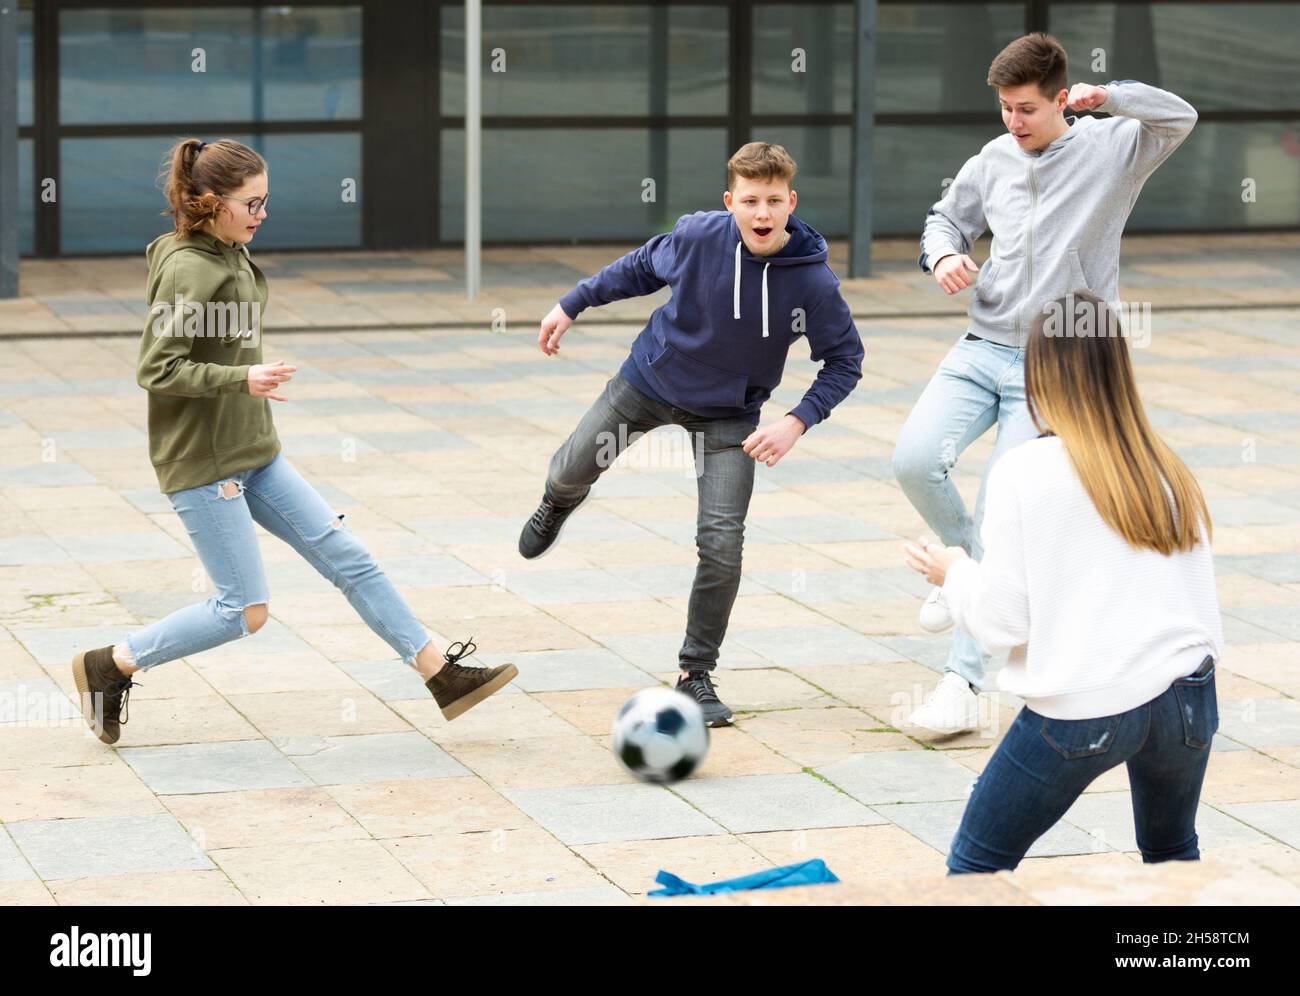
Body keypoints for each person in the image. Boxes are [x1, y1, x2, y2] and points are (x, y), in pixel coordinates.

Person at [71, 138, 516, 746]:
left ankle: (441, 675)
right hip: (205, 463)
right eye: (250, 203)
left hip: (257, 451)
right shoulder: (187, 267)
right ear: (209, 203)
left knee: (350, 558)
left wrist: (245, 387)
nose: (261, 214)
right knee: (243, 612)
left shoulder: (229, 251)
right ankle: (111, 664)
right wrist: (242, 378)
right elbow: (156, 369)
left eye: (266, 201)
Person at [894, 31, 1199, 734]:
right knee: (914, 459)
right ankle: (966, 570)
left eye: (1027, 108)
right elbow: (946, 219)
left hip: (1059, 362)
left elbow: (1179, 117)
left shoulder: (1113, 148)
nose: (1014, 121)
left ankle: (961, 687)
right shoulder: (993, 159)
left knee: (1006, 505)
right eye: (1005, 107)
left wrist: (1113, 96)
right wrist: (943, 255)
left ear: (1064, 98)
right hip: (982, 343)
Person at [520, 142, 864, 726]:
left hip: (730, 418)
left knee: (723, 542)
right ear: (730, 202)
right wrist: (572, 303)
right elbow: (637, 270)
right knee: (570, 468)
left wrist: (795, 420)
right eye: (750, 200)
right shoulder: (698, 236)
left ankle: (695, 674)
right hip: (649, 383)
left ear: (791, 203)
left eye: (773, 201)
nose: (762, 213)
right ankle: (557, 503)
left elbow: (846, 359)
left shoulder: (812, 283)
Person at [904, 291, 1223, 873]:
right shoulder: (1166, 466)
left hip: (1086, 703)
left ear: (1040, 372)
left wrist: (953, 574)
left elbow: (1003, 622)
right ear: (1116, 367)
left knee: (975, 871)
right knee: (1174, 857)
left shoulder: (1025, 470)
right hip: (1189, 695)